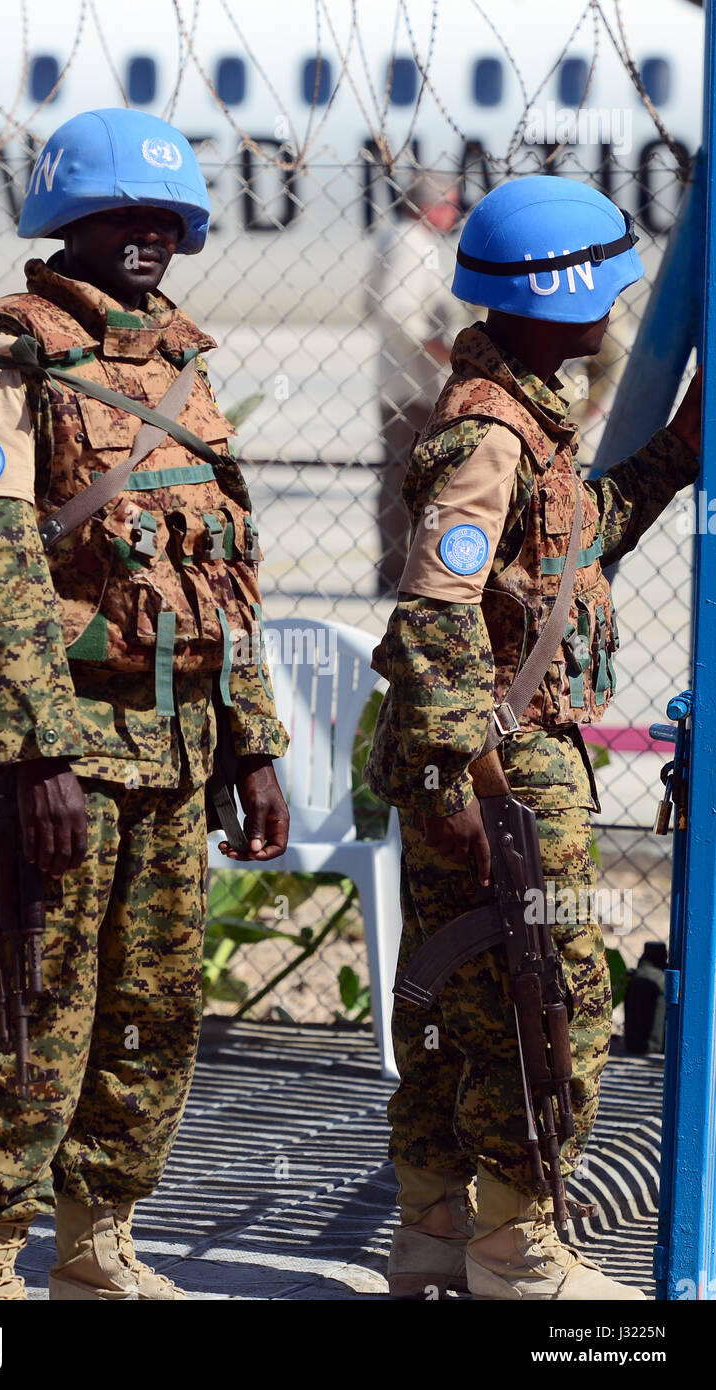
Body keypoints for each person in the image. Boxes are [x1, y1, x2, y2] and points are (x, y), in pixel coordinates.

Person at [0, 109, 290, 1301]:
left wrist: (252, 744)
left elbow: (225, 573)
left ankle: (97, 1244)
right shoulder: (7, 356)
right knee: (26, 1002)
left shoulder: (186, 363)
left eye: (163, 218)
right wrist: (33, 758)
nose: (144, 236)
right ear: (65, 224)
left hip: (181, 749)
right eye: (116, 215)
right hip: (67, 752)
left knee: (154, 1008)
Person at [364, 175, 702, 1301]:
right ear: (552, 296)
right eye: (598, 286)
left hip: (472, 758)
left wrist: (668, 454)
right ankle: (516, 1252)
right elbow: (435, 611)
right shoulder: (486, 434)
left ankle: (430, 1234)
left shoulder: (519, 417)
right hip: (498, 766)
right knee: (548, 998)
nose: (612, 306)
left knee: (466, 1004)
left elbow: (568, 547)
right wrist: (472, 776)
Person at [364, 174, 469, 595]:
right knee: (406, 477)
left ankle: (399, 568)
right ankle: (397, 571)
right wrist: (445, 352)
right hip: (413, 385)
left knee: (405, 475)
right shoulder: (412, 243)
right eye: (451, 203)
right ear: (429, 205)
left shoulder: (400, 236)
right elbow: (397, 311)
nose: (456, 212)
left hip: (407, 381)